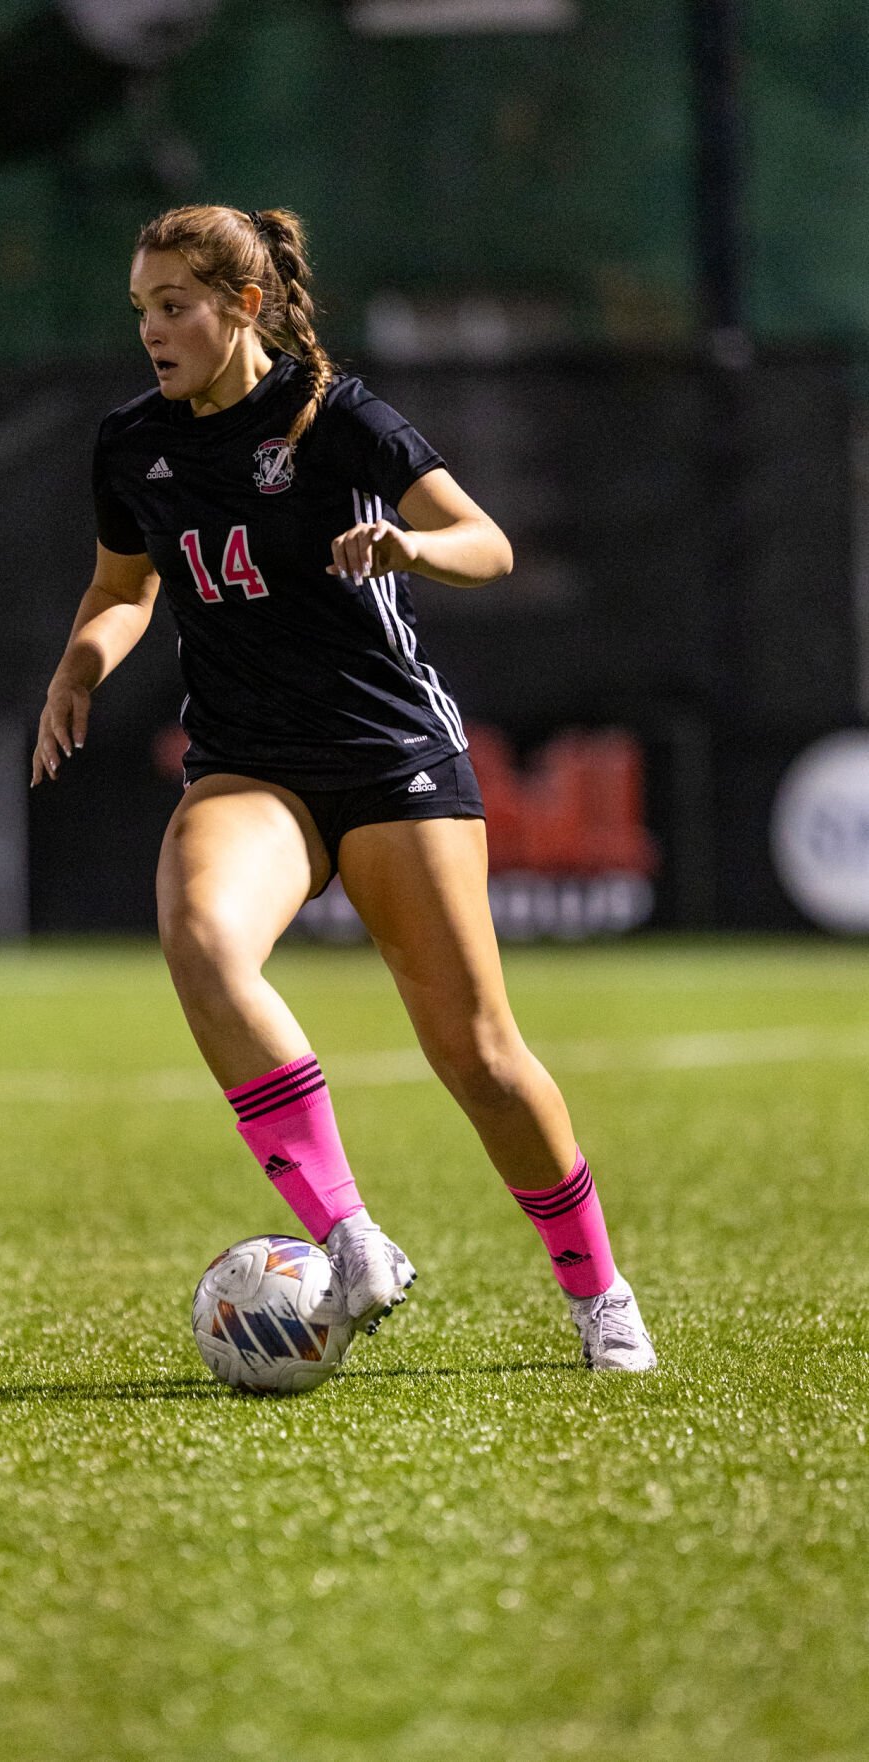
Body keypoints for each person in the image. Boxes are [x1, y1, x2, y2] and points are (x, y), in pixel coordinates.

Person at [32, 203, 656, 1372]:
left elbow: (487, 543)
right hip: (248, 763)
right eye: (140, 311)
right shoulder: (133, 441)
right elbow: (124, 585)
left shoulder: (335, 414)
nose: (152, 331)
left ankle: (598, 1293)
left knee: (474, 1051)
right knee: (202, 939)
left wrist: (410, 548)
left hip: (387, 755)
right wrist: (83, 657)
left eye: (175, 307)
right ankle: (351, 1238)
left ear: (244, 306)